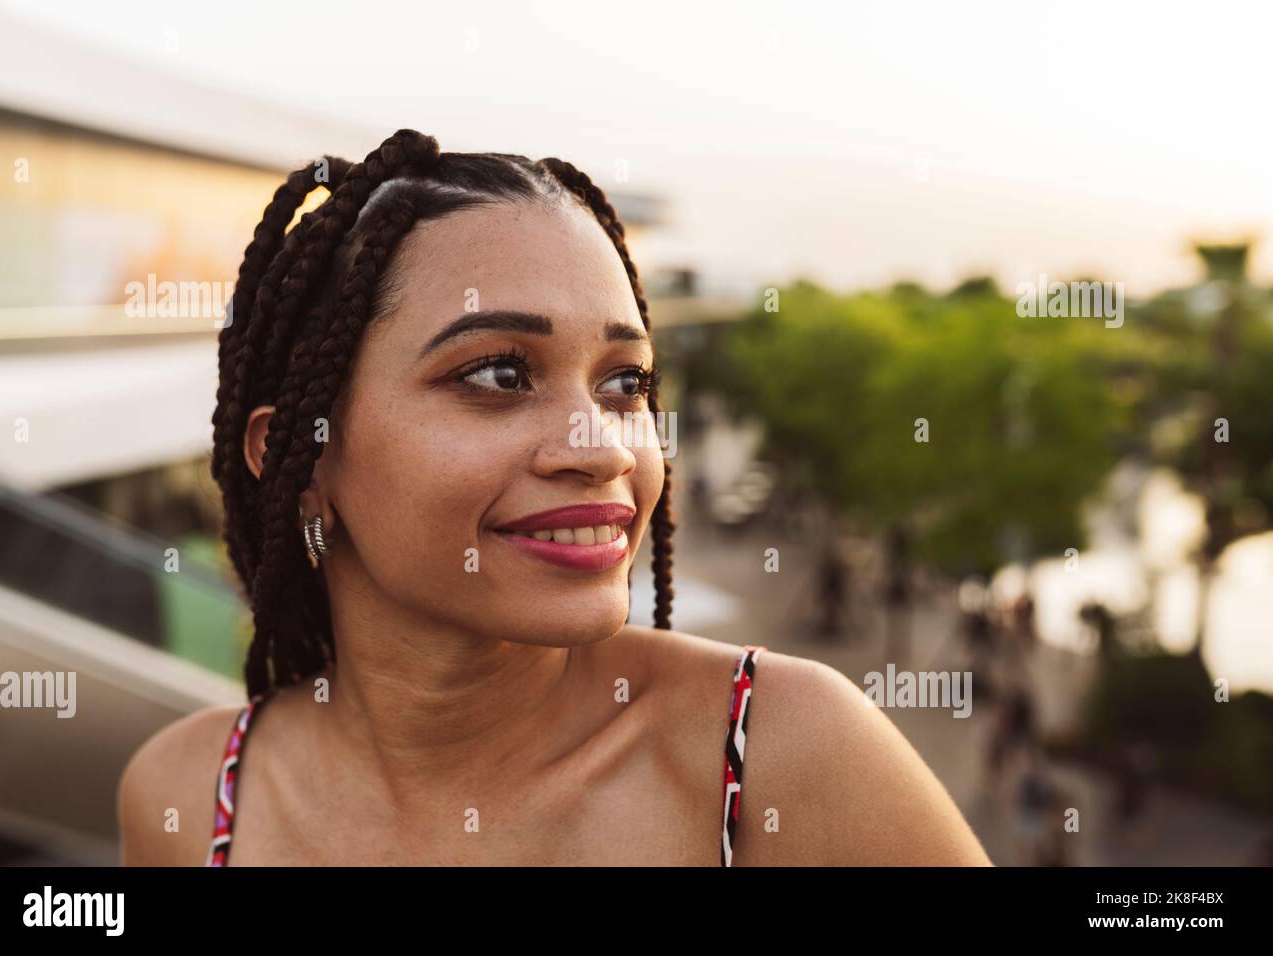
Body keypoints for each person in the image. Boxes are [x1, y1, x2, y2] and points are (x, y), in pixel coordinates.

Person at [116, 129, 990, 867]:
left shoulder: (778, 756)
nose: (601, 447)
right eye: (500, 373)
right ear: (301, 461)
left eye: (623, 382)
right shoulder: (185, 803)